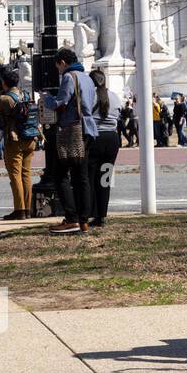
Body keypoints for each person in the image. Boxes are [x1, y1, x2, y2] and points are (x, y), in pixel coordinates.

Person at [42, 48, 97, 236]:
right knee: (82, 177)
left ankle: (71, 218)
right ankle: (84, 220)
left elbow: (61, 102)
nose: (58, 69)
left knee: (60, 174)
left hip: (71, 130)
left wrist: (47, 99)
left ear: (62, 62)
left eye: (57, 65)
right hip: (88, 128)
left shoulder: (69, 77)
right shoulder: (87, 77)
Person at [0, 67, 37, 220]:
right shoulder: (25, 95)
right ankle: (27, 209)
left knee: (15, 175)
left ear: (4, 83)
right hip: (31, 138)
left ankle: (19, 210)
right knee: (26, 174)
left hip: (15, 139)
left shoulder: (5, 99)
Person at [86, 68, 121, 228]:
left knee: (90, 177)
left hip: (95, 138)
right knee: (105, 179)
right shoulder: (114, 96)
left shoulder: (90, 95)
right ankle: (102, 215)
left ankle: (90, 213)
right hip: (112, 140)